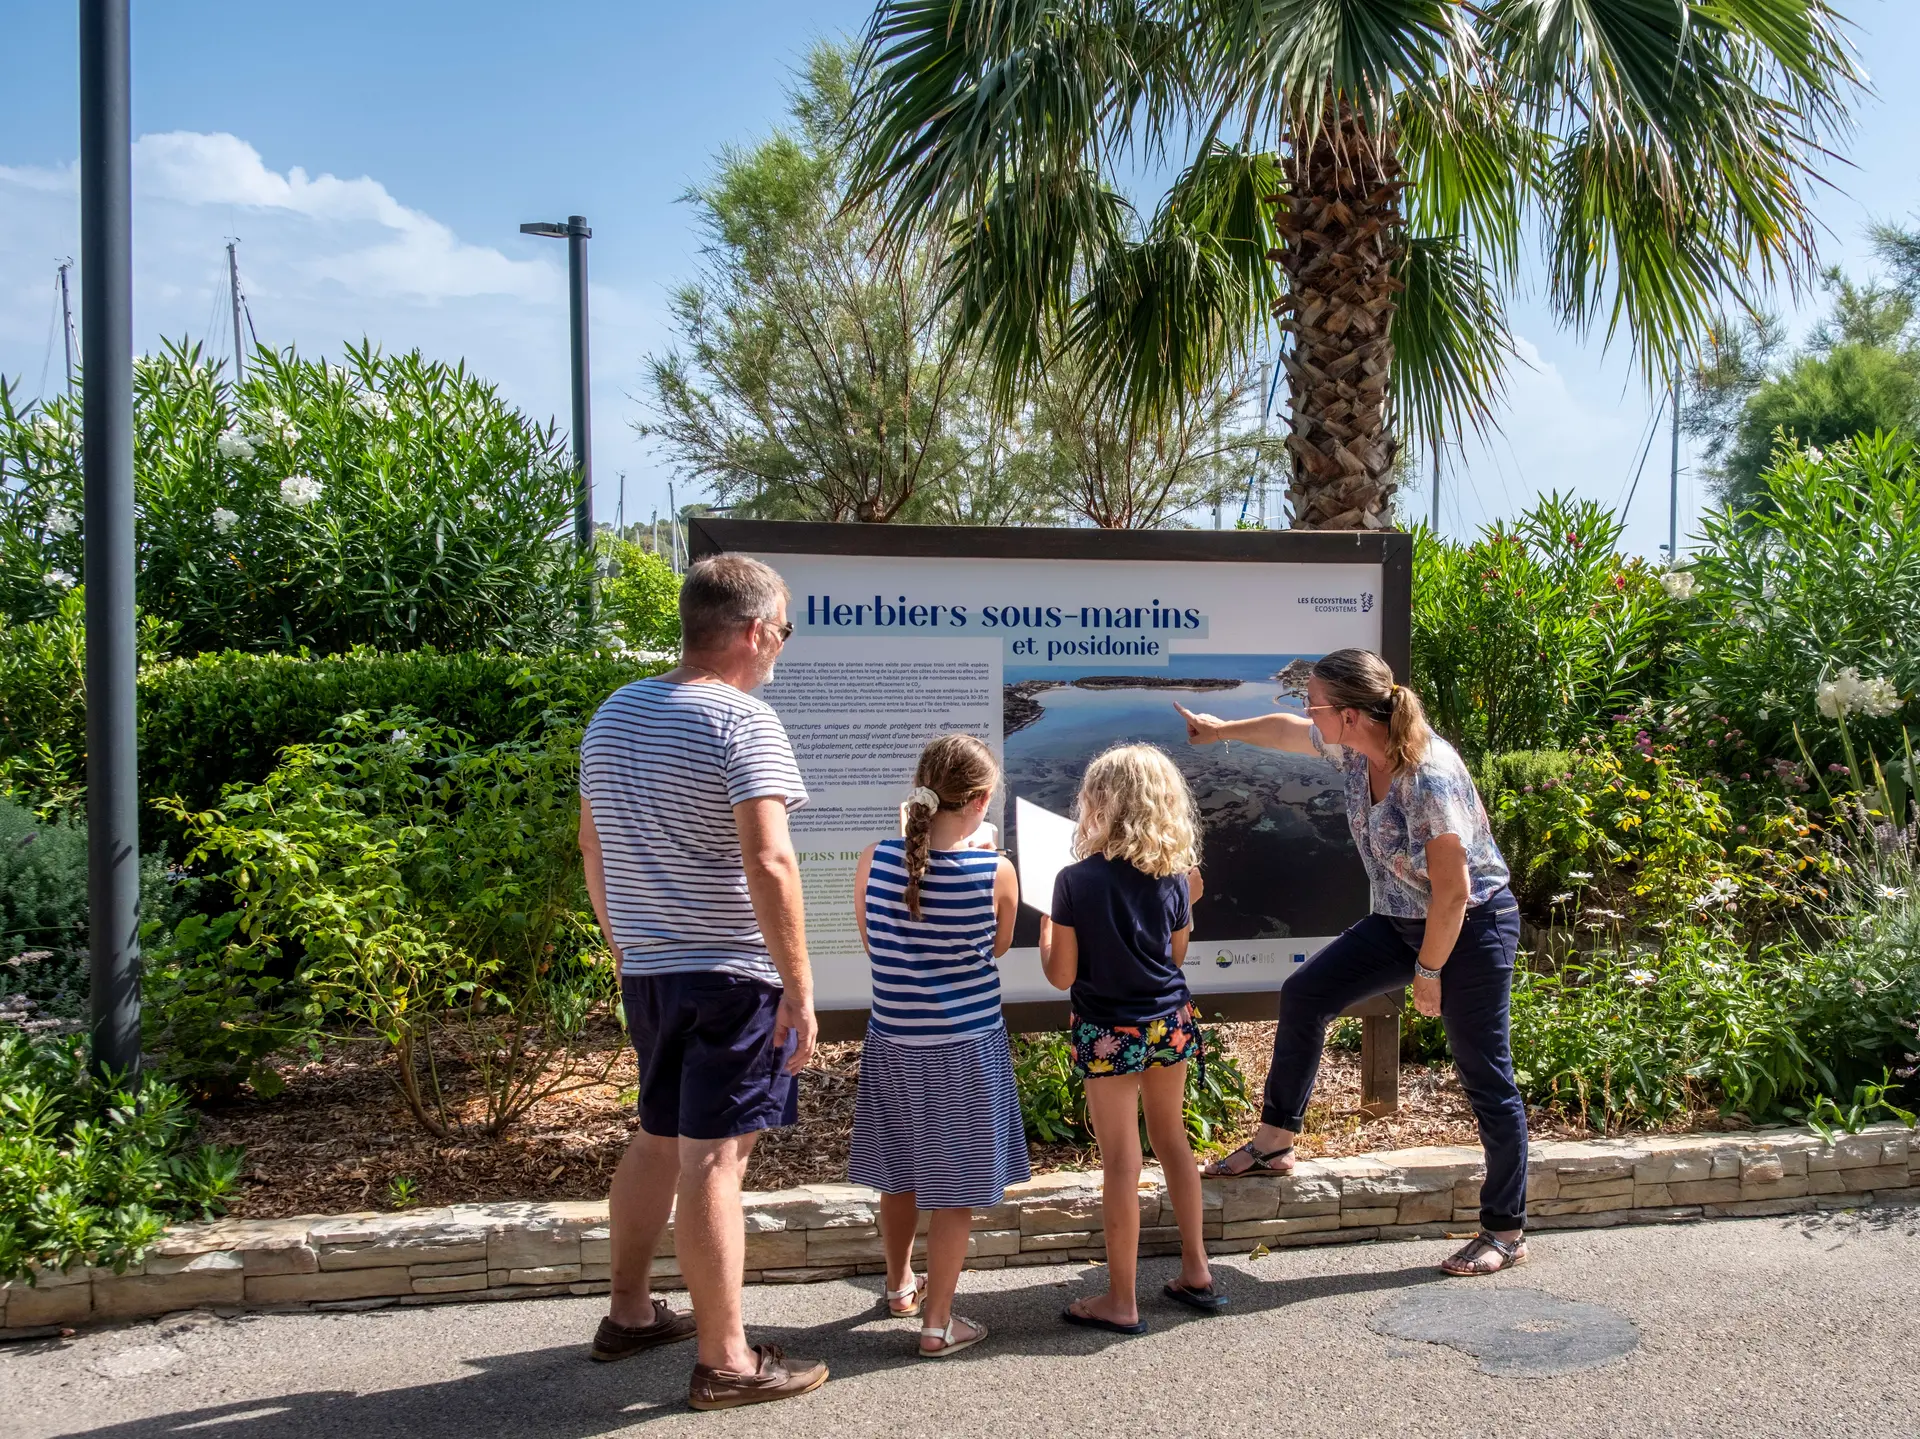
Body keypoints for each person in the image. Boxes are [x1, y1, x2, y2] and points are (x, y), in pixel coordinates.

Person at [1175, 647, 1528, 1276]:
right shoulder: (1354, 746)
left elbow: (1454, 892)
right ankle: (1275, 1143)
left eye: (1313, 702)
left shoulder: (1430, 776)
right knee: (1307, 993)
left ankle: (1505, 1228)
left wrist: (1429, 972)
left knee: (1484, 1074)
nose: (1304, 713)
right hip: (1400, 920)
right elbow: (1286, 732)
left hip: (1470, 928)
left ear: (1350, 713)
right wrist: (1222, 728)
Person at [577, 552, 829, 1410]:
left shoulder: (614, 714)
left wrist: (625, 939)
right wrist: (798, 984)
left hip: (650, 971)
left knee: (657, 1137)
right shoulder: (744, 721)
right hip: (730, 976)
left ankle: (629, 1312)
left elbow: (592, 845)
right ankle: (726, 1359)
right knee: (716, 1159)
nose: (781, 650)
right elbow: (769, 858)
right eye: (784, 632)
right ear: (755, 630)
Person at [845, 734, 1027, 1358]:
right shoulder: (995, 870)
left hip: (893, 1041)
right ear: (979, 801)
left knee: (898, 1174)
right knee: (955, 1190)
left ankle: (900, 1286)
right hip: (965, 1049)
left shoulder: (874, 859)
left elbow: (875, 944)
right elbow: (998, 948)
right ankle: (938, 1323)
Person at [1037, 743, 1222, 1335]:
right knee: (1173, 1142)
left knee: (1120, 1161)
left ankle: (1122, 1299)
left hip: (1105, 1032)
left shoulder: (1073, 881)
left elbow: (1060, 974)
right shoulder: (1172, 877)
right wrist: (1185, 905)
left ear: (1100, 804)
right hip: (1168, 1022)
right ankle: (1196, 1271)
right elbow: (1174, 956)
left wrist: (1048, 921)